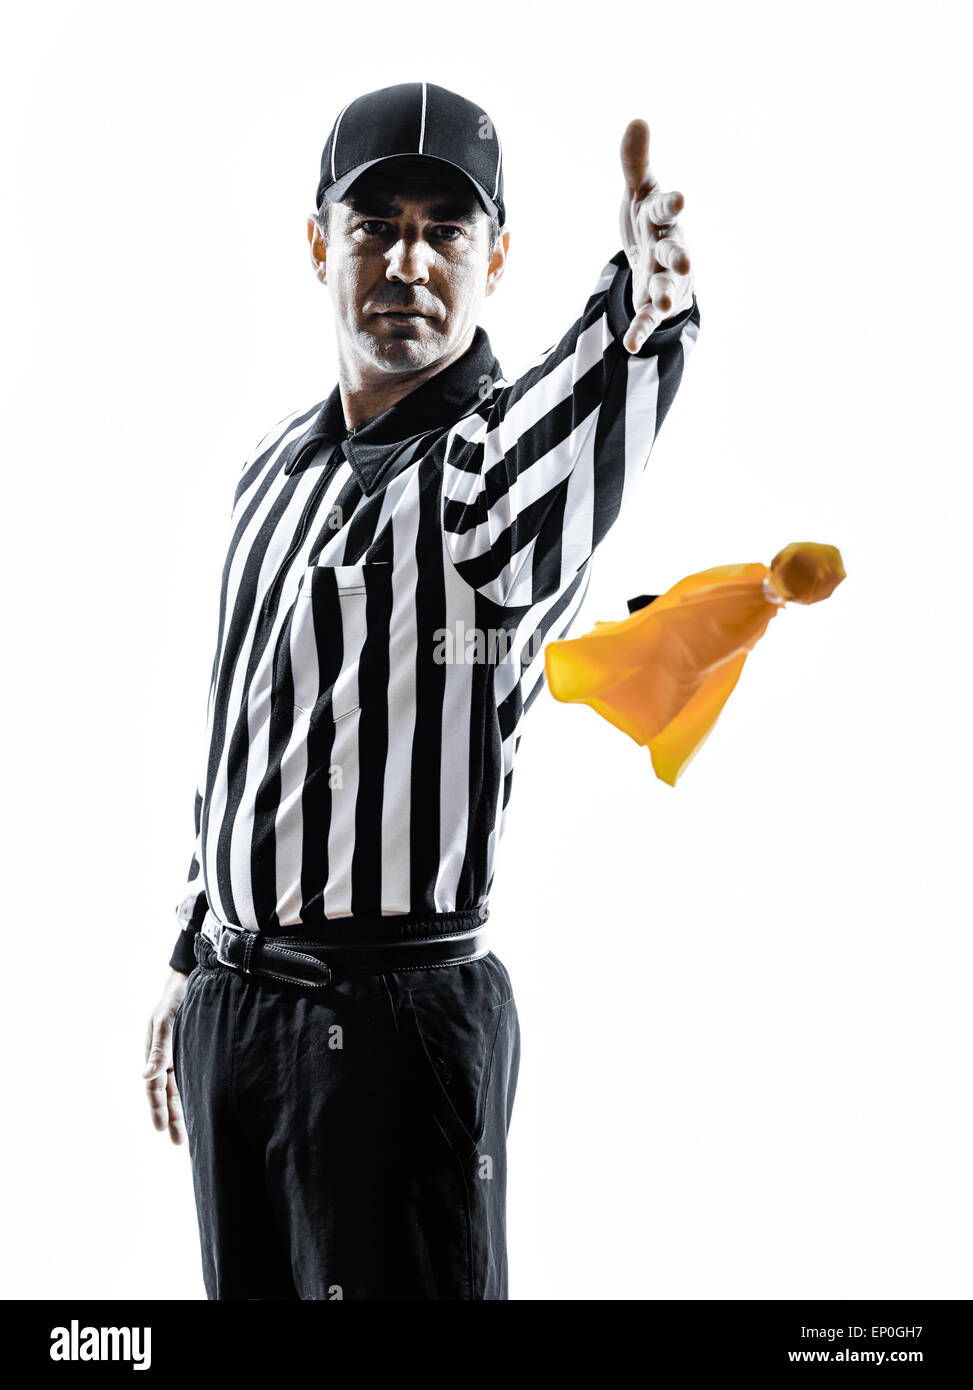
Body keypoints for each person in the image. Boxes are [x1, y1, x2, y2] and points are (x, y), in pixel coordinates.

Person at [142, 80, 700, 1300]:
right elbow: (243, 731)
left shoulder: (480, 479)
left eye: (443, 229)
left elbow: (561, 432)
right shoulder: (271, 470)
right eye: (374, 224)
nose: (406, 259)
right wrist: (192, 956)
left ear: (495, 256)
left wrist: (642, 316)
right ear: (315, 244)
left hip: (394, 1022)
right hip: (236, 1013)